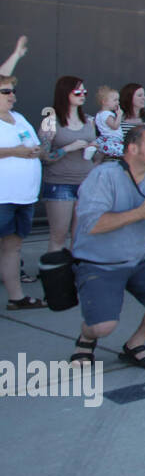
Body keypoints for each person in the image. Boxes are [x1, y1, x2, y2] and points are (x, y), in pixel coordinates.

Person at [67, 125, 145, 367]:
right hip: (98, 262)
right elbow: (91, 225)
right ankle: (87, 337)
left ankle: (135, 344)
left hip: (139, 258)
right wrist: (139, 213)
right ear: (132, 148)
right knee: (103, 327)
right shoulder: (104, 176)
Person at [0, 74, 46, 310]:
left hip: (23, 196)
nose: (12, 96)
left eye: (12, 91)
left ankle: (16, 298)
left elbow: (31, 144)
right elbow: (14, 150)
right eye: (5, 92)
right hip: (2, 197)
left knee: (13, 248)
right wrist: (14, 152)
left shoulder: (19, 118)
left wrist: (35, 151)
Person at [38, 75, 97, 253]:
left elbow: (96, 156)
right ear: (65, 93)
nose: (83, 95)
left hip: (85, 182)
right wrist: (68, 148)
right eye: (78, 91)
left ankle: (76, 274)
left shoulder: (88, 120)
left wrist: (96, 148)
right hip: (60, 183)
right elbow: (43, 156)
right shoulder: (51, 122)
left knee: (80, 235)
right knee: (59, 236)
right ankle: (54, 275)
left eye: (84, 91)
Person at [92, 86, 125, 159]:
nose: (118, 102)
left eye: (118, 100)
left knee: (100, 159)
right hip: (112, 139)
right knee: (125, 152)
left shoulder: (99, 114)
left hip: (104, 138)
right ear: (104, 102)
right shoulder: (107, 114)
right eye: (115, 100)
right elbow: (115, 126)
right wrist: (119, 115)